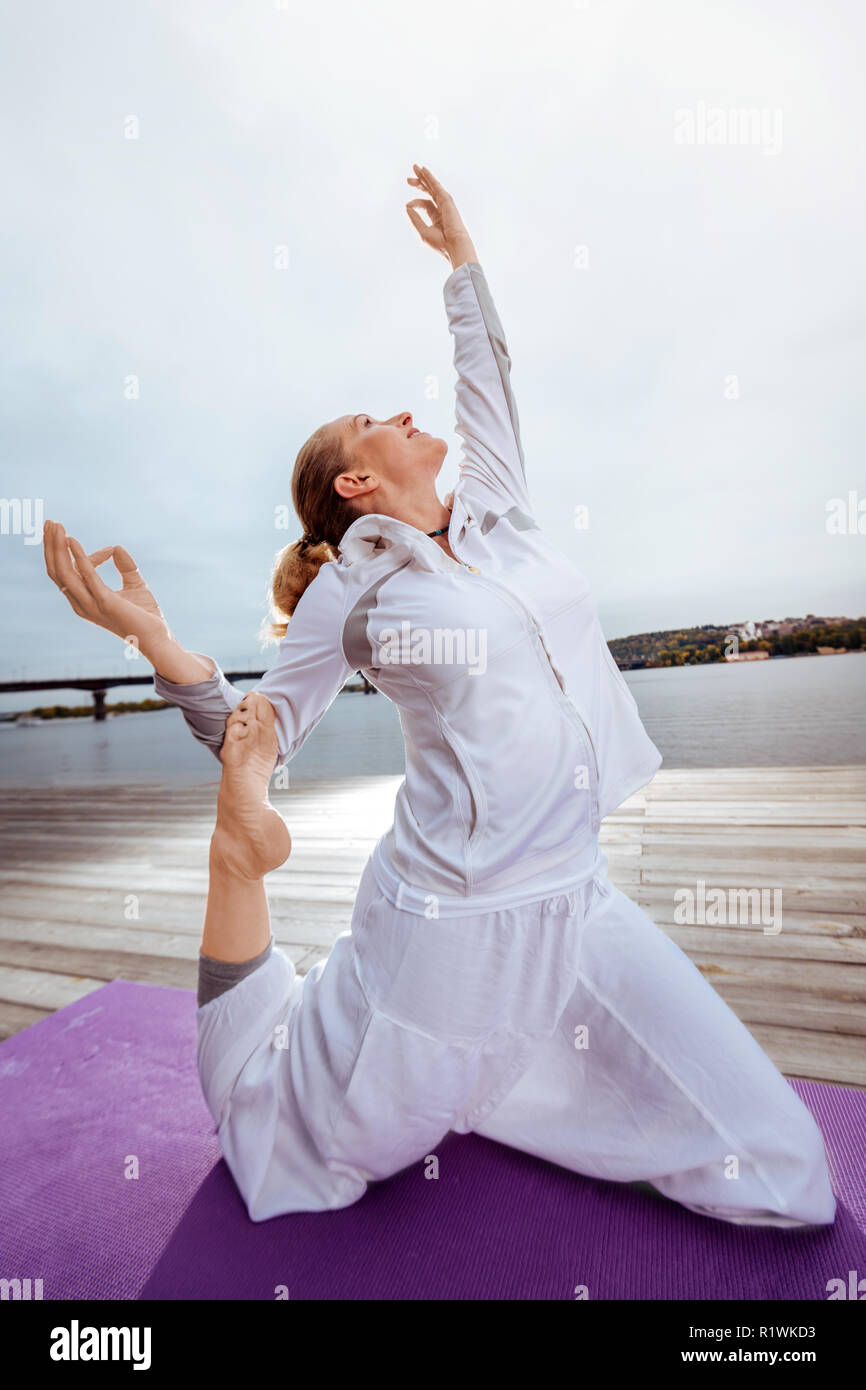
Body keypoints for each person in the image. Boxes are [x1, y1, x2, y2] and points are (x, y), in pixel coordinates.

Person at [43, 164, 836, 1227]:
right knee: (296, 1146)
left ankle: (498, 1075)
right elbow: (259, 736)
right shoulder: (350, 587)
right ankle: (391, 1023)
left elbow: (487, 379)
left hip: (578, 898)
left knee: (788, 1181)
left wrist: (462, 261)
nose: (410, 412)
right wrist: (155, 640)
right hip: (448, 929)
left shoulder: (498, 514)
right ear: (355, 486)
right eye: (375, 418)